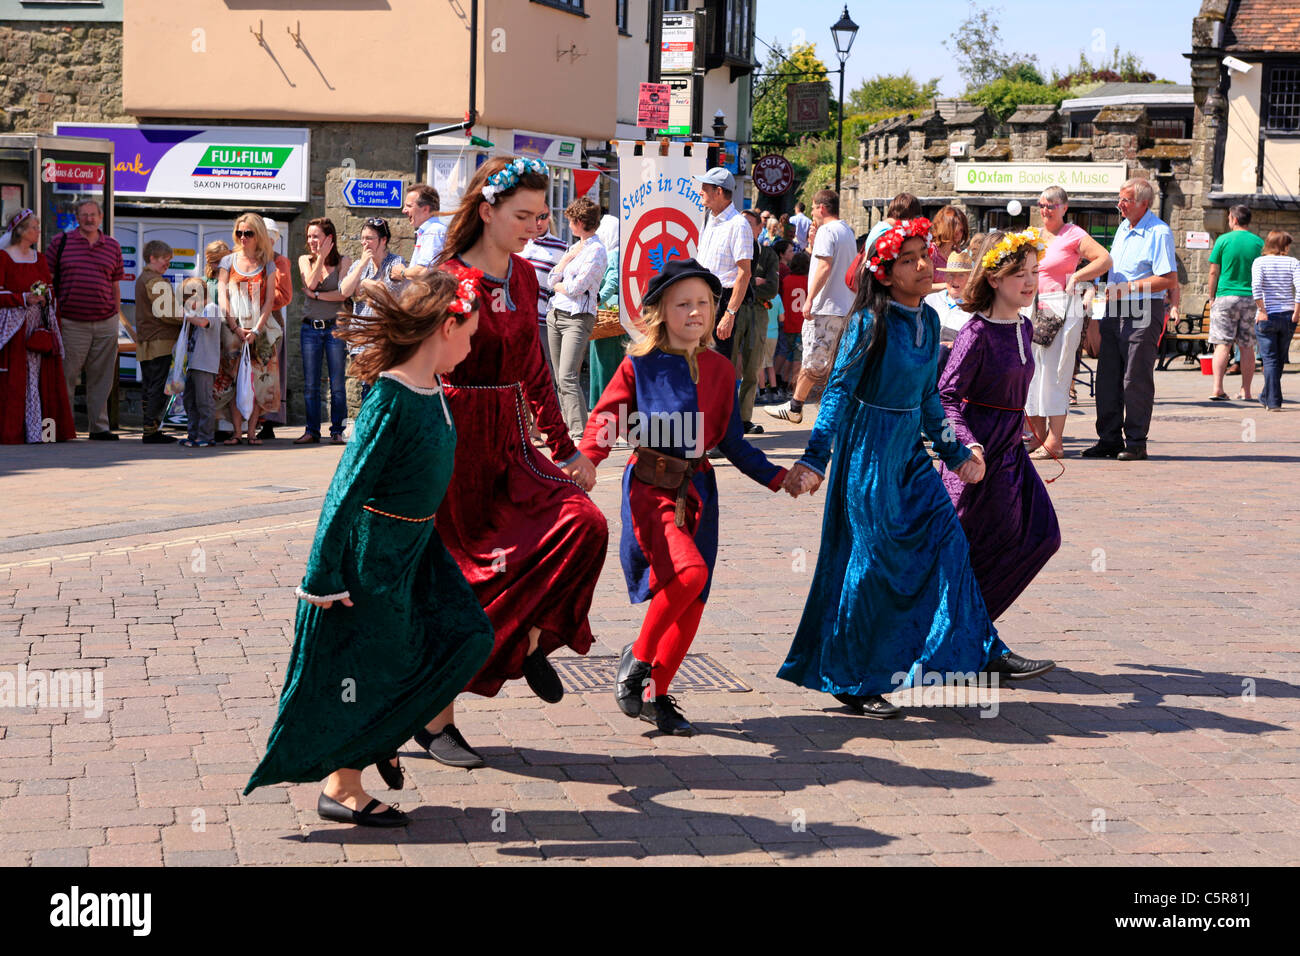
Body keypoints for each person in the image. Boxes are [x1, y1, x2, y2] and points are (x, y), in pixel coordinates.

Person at [244, 269, 494, 827]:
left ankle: (386, 733)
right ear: (445, 326)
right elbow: (344, 491)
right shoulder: (392, 397)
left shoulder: (434, 390)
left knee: (467, 635)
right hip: (375, 554)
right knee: (363, 667)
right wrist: (322, 575)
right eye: (470, 333)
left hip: (418, 548)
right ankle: (342, 786)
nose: (473, 345)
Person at [778, 219, 1054, 719]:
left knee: (949, 546)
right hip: (868, 458)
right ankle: (853, 679)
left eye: (925, 254)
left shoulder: (929, 321)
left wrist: (957, 456)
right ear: (884, 274)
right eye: (909, 260)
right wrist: (815, 459)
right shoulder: (869, 322)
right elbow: (837, 392)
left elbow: (931, 398)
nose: (925, 264)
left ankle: (983, 650)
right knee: (871, 565)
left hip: (911, 458)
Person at [417, 156, 607, 769]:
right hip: (451, 444)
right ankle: (435, 720)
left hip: (509, 442)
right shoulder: (443, 278)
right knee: (452, 583)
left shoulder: (526, 277)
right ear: (486, 209)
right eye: (522, 215)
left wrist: (567, 448)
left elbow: (535, 372)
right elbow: (415, 371)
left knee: (582, 523)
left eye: (540, 214)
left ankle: (523, 639)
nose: (533, 225)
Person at [580, 259, 792, 736]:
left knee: (693, 598)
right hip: (651, 488)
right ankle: (638, 660)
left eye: (703, 302)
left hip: (700, 492)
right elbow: (604, 421)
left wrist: (780, 477)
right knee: (687, 573)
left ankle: (657, 695)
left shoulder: (722, 370)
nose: (695, 312)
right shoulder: (638, 364)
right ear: (660, 311)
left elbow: (734, 443)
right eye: (683, 304)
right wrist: (586, 461)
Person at [939, 230, 1062, 621]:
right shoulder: (976, 334)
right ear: (993, 279)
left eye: (1034, 272)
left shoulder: (1025, 327)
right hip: (980, 455)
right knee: (968, 545)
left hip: (1012, 452)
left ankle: (973, 625)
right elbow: (946, 396)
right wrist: (966, 445)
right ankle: (955, 632)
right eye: (1019, 274)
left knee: (1041, 535)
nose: (1030, 282)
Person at [1083, 178, 1178, 462]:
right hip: (1113, 307)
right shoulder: (1124, 226)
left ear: (1143, 203)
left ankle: (1136, 442)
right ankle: (1108, 439)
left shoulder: (1159, 232)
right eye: (1119, 199)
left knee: (1134, 376)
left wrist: (1127, 288)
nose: (1119, 205)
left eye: (1125, 200)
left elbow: (1168, 279)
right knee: (1108, 375)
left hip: (1142, 309)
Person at [1024, 187, 1112, 458]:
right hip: (1032, 307)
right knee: (1032, 374)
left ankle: (1055, 441)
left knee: (1056, 374)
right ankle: (1038, 436)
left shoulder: (1073, 234)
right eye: (1041, 205)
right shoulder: (1034, 236)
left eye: (1051, 205)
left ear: (1064, 207)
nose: (1045, 210)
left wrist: (1078, 278)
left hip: (1061, 308)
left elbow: (1105, 259)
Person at [766, 188, 857, 426]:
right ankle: (833, 409)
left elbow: (825, 267)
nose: (813, 213)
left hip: (826, 306)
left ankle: (795, 406)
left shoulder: (828, 230)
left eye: (814, 208)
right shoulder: (846, 230)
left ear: (822, 208)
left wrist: (810, 299)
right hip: (843, 306)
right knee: (834, 363)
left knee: (814, 360)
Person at [47, 199, 125, 440]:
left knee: (101, 378)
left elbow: (115, 284)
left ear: (101, 218)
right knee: (67, 376)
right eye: (84, 215)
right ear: (77, 217)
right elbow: (48, 279)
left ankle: (99, 428)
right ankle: (64, 427)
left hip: (105, 322)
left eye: (93, 215)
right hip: (71, 322)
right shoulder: (60, 243)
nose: (89, 219)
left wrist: (115, 315)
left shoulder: (112, 246)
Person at [0, 209, 75, 443]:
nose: (38, 232)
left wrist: (45, 297)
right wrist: (23, 298)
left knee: (43, 378)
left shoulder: (39, 258)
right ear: (21, 230)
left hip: (39, 325)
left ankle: (45, 432)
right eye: (34, 227)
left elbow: (49, 288)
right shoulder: (4, 257)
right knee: (15, 380)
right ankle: (15, 432)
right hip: (14, 328)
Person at [217, 214, 282, 445]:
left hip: (259, 332)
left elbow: (268, 302)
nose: (243, 238)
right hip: (232, 331)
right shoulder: (228, 262)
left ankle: (252, 431)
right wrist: (234, 326)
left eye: (249, 233)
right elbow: (222, 295)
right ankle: (237, 432)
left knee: (257, 382)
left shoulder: (268, 264)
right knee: (234, 382)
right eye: (239, 233)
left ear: (258, 236)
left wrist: (255, 330)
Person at [546, 196, 608, 438]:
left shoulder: (597, 250)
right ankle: (572, 427)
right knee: (560, 378)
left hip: (577, 316)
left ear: (581, 222)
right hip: (556, 313)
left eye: (572, 221)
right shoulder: (574, 247)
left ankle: (580, 431)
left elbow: (576, 288)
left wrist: (561, 282)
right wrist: (563, 266)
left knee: (568, 376)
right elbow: (551, 278)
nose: (569, 225)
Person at [339, 217, 405, 407]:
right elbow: (345, 290)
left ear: (383, 240)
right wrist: (361, 265)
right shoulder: (361, 264)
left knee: (380, 392)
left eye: (370, 238)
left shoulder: (395, 263)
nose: (364, 242)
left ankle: (378, 432)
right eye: (362, 238)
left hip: (384, 339)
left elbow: (388, 294)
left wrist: (366, 284)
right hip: (360, 340)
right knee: (366, 391)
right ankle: (370, 432)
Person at [297, 218, 352, 444]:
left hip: (335, 329)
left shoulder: (344, 261)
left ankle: (337, 430)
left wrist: (318, 296)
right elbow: (310, 283)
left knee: (337, 384)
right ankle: (312, 431)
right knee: (310, 384)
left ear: (329, 238)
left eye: (316, 236)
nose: (311, 241)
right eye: (309, 236)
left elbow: (342, 294)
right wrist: (319, 258)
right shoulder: (305, 260)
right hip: (310, 328)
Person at [693, 167, 752, 373]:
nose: (700, 191)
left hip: (722, 300)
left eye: (705, 187)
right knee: (697, 361)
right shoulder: (709, 219)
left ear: (718, 192)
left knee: (715, 365)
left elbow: (744, 273)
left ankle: (716, 406)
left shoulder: (738, 224)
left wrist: (730, 314)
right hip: (702, 298)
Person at [1207, 205, 1263, 402]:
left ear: (1234, 219)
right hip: (1250, 298)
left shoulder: (1223, 240)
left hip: (1225, 297)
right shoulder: (1258, 243)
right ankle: (1246, 391)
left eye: (1229, 217)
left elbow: (1214, 271)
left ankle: (1217, 389)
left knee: (1222, 344)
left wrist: (1211, 296)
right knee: (1247, 346)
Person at [731, 208, 777, 429]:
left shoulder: (768, 255)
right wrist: (752, 282)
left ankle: (743, 418)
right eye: (742, 224)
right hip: (733, 308)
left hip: (758, 311)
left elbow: (772, 289)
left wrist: (747, 286)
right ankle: (725, 417)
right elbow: (731, 281)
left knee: (753, 365)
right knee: (726, 363)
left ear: (760, 228)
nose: (745, 229)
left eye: (750, 224)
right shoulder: (733, 250)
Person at [134, 240, 182, 444]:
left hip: (147, 340)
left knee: (149, 385)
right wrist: (191, 318)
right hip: (160, 340)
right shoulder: (155, 281)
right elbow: (167, 312)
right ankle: (151, 430)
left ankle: (150, 428)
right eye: (165, 259)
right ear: (152, 258)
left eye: (169, 260)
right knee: (158, 386)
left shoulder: (143, 278)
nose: (167, 264)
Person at [177, 249, 223, 448]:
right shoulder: (195, 311)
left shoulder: (211, 308)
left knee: (204, 402)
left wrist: (186, 316)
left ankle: (206, 436)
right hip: (194, 364)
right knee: (190, 402)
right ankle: (193, 434)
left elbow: (205, 323)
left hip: (205, 364)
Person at [1250, 230, 1300, 411]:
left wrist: (1262, 310)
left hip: (1267, 316)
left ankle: (1272, 401)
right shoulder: (1293, 263)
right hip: (1287, 316)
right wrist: (1296, 312)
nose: (1289, 248)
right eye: (1287, 244)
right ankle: (1268, 396)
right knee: (1278, 360)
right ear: (1282, 245)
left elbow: (1256, 287)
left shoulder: (1259, 262)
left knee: (1270, 360)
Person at [256, 218, 293, 440]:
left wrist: (258, 296)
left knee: (270, 370)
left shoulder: (280, 262)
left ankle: (268, 421)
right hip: (249, 318)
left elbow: (284, 296)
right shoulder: (248, 260)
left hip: (270, 322)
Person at [520, 208, 568, 379]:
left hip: (543, 320)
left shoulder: (562, 248)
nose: (538, 222)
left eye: (542, 217)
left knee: (544, 373)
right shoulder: (518, 242)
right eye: (534, 217)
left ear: (549, 218)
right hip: (517, 318)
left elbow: (567, 284)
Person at [922, 248, 974, 375]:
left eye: (960, 275)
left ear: (969, 279)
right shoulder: (930, 300)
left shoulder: (974, 309)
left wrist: (957, 344)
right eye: (950, 275)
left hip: (951, 368)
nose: (954, 280)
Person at [391, 184, 447, 281]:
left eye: (409, 206)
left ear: (425, 209)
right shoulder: (428, 231)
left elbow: (423, 271)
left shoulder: (433, 231)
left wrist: (402, 272)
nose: (403, 210)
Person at [777, 249, 809, 397]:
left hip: (788, 323)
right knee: (798, 357)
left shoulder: (786, 280)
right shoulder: (809, 282)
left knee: (787, 354)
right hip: (802, 324)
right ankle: (793, 387)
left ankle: (780, 381)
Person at [928, 205, 969, 292]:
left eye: (961, 230)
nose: (959, 234)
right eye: (955, 229)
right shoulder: (931, 251)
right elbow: (920, 287)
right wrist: (947, 286)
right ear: (944, 227)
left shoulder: (958, 253)